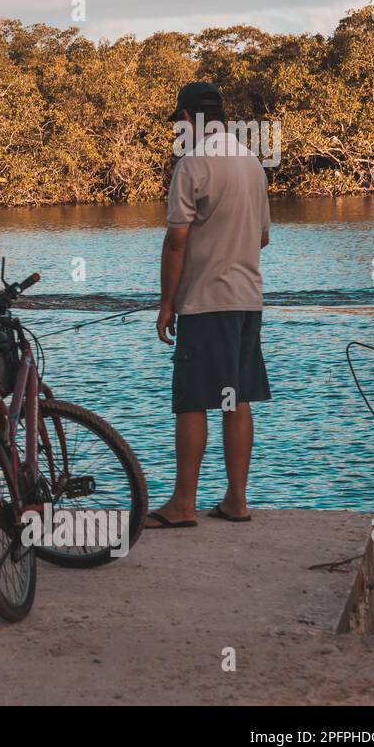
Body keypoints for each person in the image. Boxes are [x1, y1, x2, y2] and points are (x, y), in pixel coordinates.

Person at [147, 81, 271, 530]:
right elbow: (262, 236)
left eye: (179, 121)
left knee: (192, 401)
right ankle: (236, 500)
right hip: (247, 300)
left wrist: (166, 305)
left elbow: (176, 243)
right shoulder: (252, 162)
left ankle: (183, 504)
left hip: (205, 303)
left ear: (187, 119)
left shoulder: (193, 164)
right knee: (235, 398)